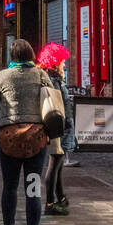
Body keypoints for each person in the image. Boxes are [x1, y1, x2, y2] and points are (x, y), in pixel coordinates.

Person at [0, 38, 54, 225]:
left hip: (9, 141)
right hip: (36, 142)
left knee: (9, 187)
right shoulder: (41, 75)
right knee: (33, 190)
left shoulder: (2, 76)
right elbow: (52, 102)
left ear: (12, 56)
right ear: (31, 55)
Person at [37, 43, 72, 216]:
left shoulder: (53, 78)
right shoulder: (53, 81)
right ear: (55, 62)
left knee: (58, 164)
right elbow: (57, 105)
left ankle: (61, 198)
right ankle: (50, 203)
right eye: (62, 61)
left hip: (59, 127)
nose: (64, 64)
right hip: (57, 128)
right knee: (55, 163)